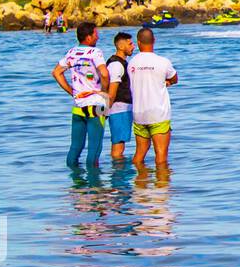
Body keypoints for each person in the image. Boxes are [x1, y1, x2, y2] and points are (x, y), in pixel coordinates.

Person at [52, 21, 111, 167]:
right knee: (94, 148)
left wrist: (72, 92)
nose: (98, 37)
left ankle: (76, 185)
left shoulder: (71, 52)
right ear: (88, 37)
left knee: (75, 147)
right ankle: (95, 186)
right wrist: (104, 92)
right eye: (96, 34)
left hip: (78, 105)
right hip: (96, 105)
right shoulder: (95, 52)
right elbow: (104, 73)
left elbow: (56, 72)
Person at [128, 26, 178, 167]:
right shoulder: (163, 62)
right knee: (161, 156)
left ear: (138, 43)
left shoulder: (132, 63)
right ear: (154, 41)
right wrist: (166, 82)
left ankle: (140, 184)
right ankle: (162, 187)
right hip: (158, 114)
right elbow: (175, 78)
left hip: (139, 114)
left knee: (139, 154)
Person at [106, 31, 136, 160]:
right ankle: (118, 175)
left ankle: (119, 173)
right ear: (121, 46)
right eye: (130, 44)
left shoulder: (120, 63)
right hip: (119, 108)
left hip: (122, 108)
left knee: (120, 141)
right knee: (118, 144)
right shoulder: (116, 64)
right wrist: (104, 112)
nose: (133, 46)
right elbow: (112, 90)